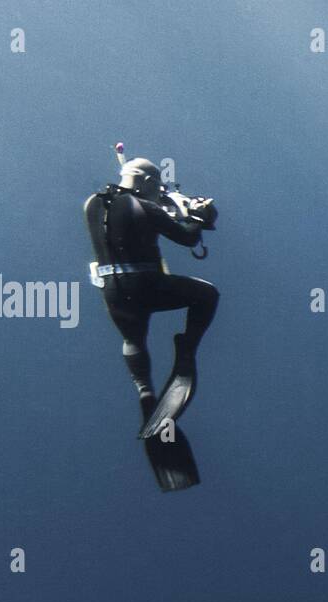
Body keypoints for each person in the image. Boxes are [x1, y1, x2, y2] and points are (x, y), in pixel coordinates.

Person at [84, 156, 218, 490]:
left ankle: (144, 391)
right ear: (145, 183)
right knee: (207, 295)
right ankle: (186, 349)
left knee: (133, 339)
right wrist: (199, 217)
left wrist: (168, 206)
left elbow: (128, 228)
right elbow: (185, 237)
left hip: (113, 291)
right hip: (145, 284)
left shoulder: (92, 204)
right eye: (156, 188)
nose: (159, 194)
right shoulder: (144, 206)